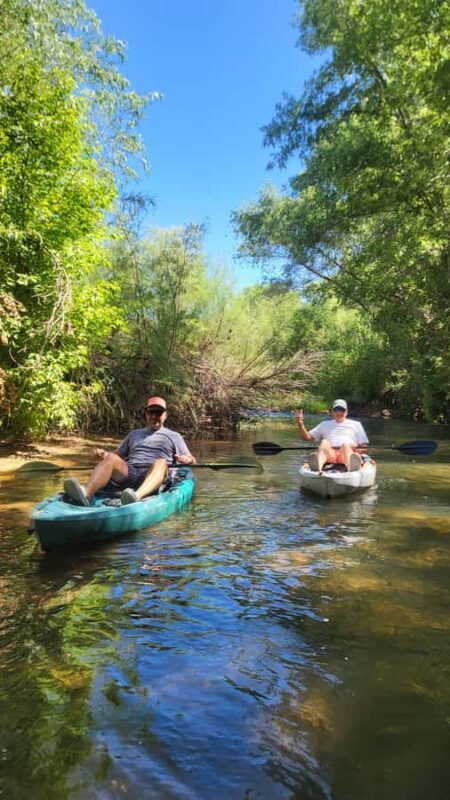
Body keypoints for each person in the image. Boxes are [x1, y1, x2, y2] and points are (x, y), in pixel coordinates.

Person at [63, 396, 196, 506]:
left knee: (161, 462)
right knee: (110, 459)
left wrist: (187, 459)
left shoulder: (174, 436)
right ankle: (87, 495)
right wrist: (102, 454)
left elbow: (192, 460)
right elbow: (116, 456)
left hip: (153, 474)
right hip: (131, 472)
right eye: (151, 412)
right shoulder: (133, 434)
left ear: (165, 415)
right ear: (146, 414)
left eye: (158, 413)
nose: (154, 416)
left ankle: (135, 497)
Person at [295, 399, 369, 473]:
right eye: (336, 409)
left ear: (346, 411)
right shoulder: (324, 424)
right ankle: (318, 468)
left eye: (342, 410)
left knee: (345, 445)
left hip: (347, 452)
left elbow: (364, 446)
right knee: (324, 442)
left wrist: (360, 449)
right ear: (332, 412)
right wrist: (300, 424)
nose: (339, 412)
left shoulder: (356, 424)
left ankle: (352, 468)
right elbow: (307, 437)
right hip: (329, 455)